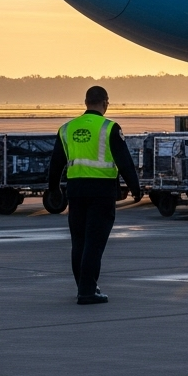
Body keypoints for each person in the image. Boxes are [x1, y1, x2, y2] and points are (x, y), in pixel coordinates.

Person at [47, 86, 141, 305]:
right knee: (94, 243)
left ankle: (83, 286)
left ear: (85, 102)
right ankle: (88, 291)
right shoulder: (109, 128)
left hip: (76, 191)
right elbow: (124, 162)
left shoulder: (67, 129)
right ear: (105, 103)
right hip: (102, 191)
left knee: (79, 241)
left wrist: (53, 189)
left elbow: (55, 163)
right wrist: (135, 188)